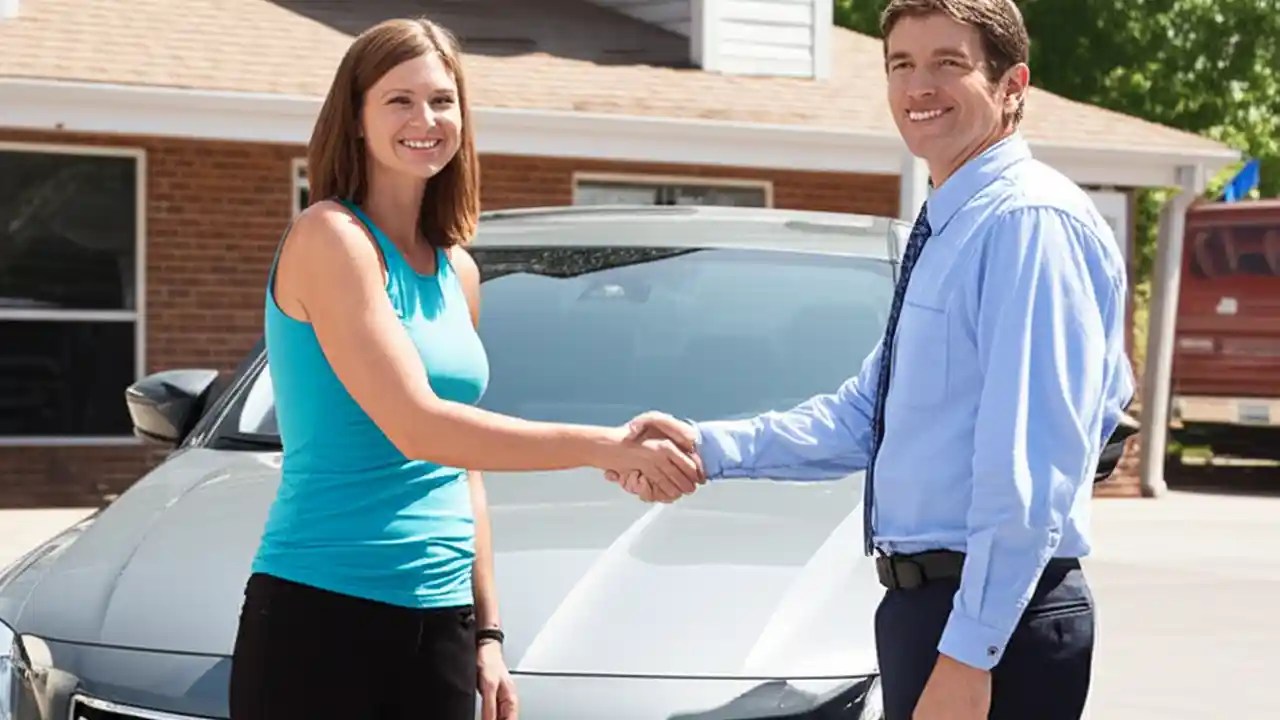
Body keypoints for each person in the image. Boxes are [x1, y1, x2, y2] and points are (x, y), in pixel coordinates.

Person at [610, 1, 1134, 718]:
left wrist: (969, 654)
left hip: (990, 623)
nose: (919, 87)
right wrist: (702, 446)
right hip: (934, 611)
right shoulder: (955, 220)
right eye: (901, 65)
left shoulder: (1026, 224)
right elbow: (865, 416)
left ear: (1013, 85)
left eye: (948, 64)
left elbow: (1031, 468)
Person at [227, 17, 702, 720]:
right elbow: (420, 428)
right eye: (399, 100)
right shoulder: (330, 237)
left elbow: (461, 467)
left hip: (441, 625)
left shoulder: (457, 270)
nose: (426, 119)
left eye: (443, 100)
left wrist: (487, 634)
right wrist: (606, 446)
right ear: (355, 119)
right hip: (323, 616)